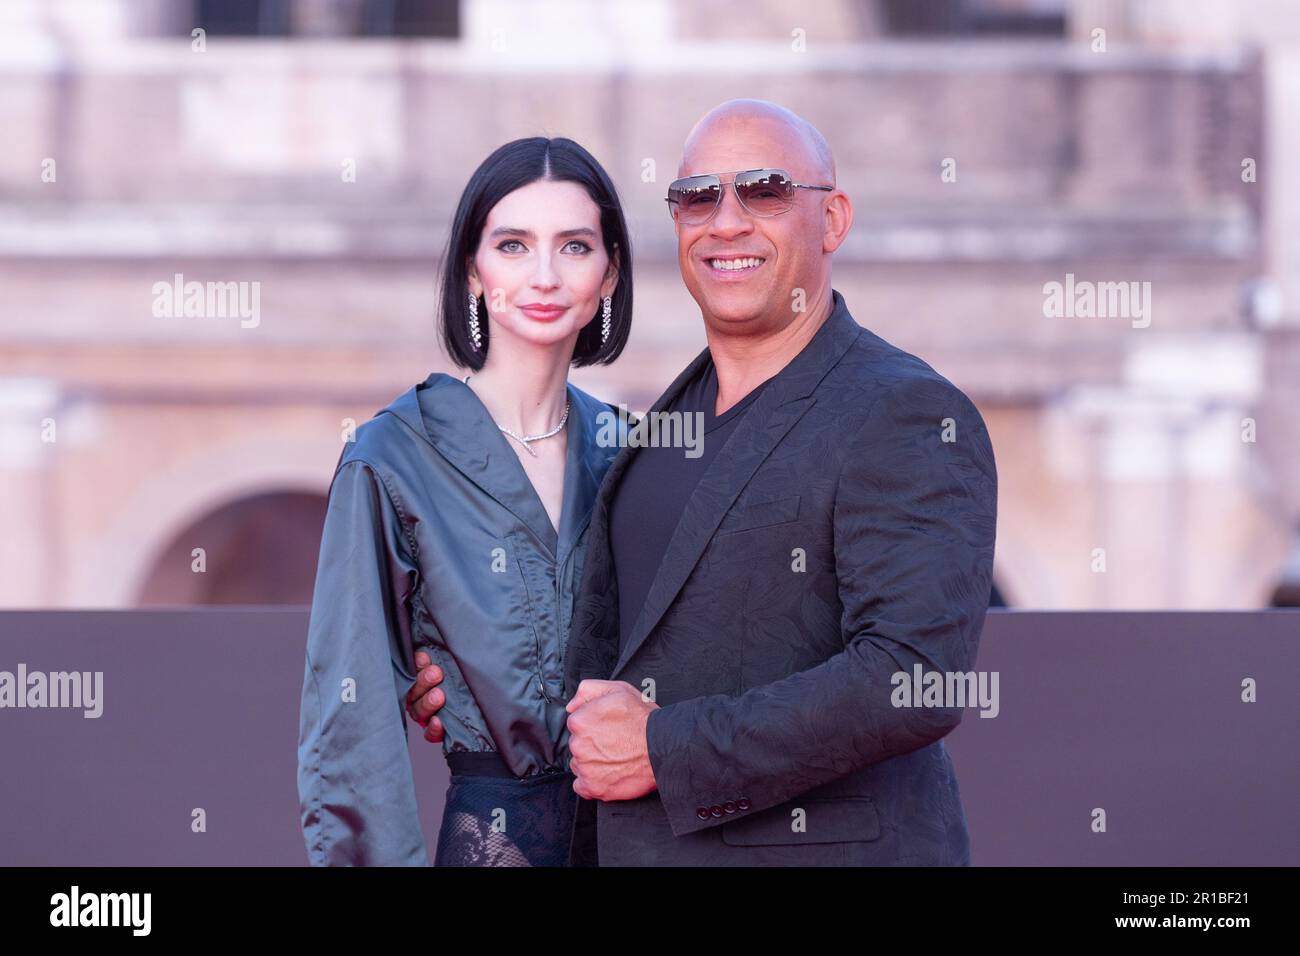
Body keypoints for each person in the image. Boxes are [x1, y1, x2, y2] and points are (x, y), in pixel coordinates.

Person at [409, 99, 998, 866]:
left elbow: (913, 677)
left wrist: (665, 747)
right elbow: (617, 656)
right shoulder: (657, 434)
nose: (726, 222)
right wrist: (474, 683)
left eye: (765, 190)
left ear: (834, 219)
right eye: (697, 197)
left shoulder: (904, 411)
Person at [296, 136, 634, 866]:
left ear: (609, 275)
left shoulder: (637, 453)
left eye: (574, 246)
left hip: (648, 838)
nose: (544, 275)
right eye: (513, 245)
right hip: (497, 843)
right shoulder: (391, 458)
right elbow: (349, 728)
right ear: (472, 272)